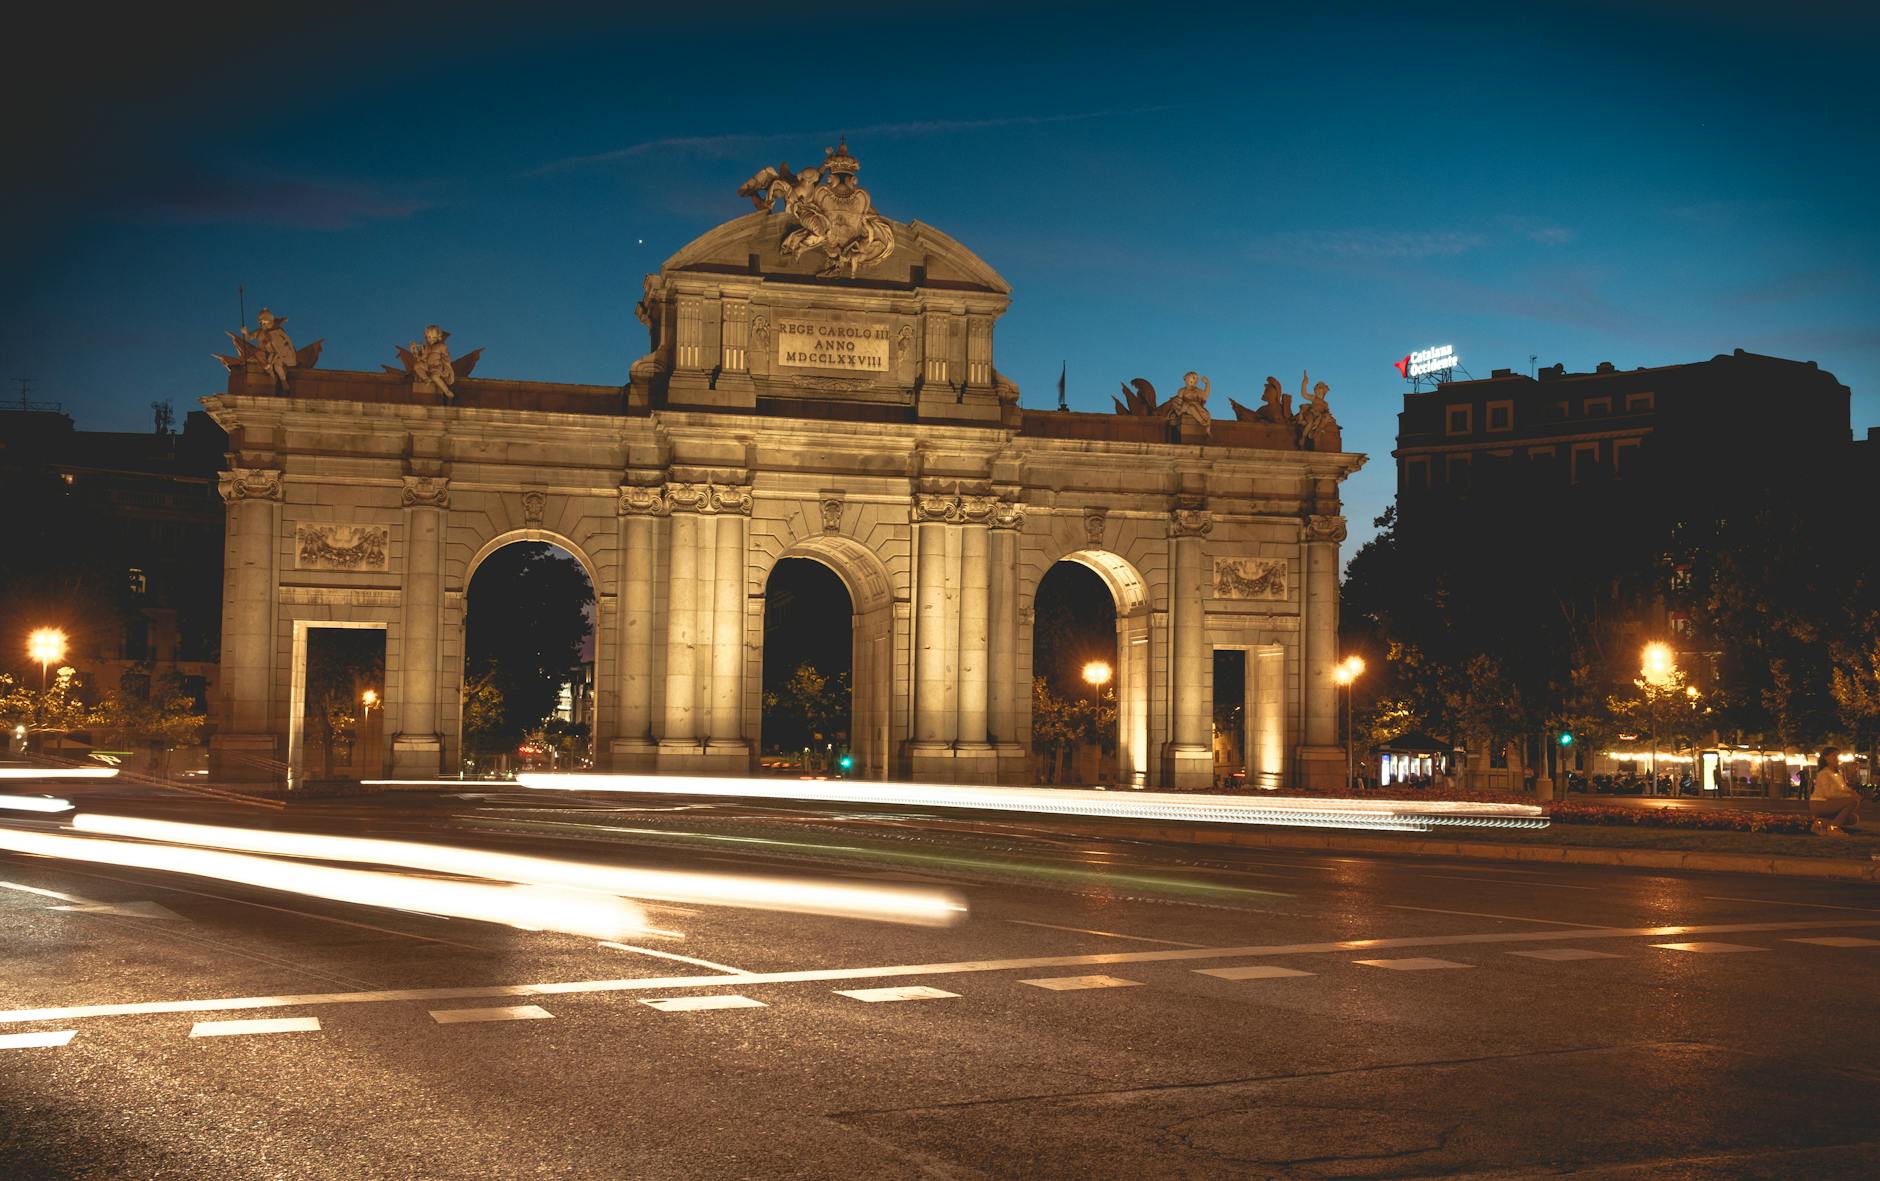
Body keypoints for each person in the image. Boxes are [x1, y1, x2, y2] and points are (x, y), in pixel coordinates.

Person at [1808, 748, 1860, 836]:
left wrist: (1851, 792)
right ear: (1826, 758)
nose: (1837, 758)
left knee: (1853, 818)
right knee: (1852, 801)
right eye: (1834, 756)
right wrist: (1848, 796)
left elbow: (1842, 789)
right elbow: (1829, 794)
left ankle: (1820, 824)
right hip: (1820, 803)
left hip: (1830, 803)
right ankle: (1834, 828)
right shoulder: (1824, 773)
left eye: (1837, 756)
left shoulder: (1836, 774)